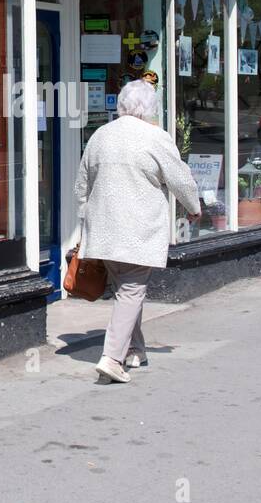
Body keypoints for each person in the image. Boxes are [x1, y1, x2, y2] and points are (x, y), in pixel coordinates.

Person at [74, 79, 200, 384]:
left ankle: (135, 349)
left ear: (121, 106)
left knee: (126, 289)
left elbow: (82, 186)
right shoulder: (155, 137)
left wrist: (84, 221)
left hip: (103, 231)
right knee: (131, 290)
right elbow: (180, 179)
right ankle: (113, 358)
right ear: (150, 109)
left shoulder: (100, 136)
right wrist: (194, 207)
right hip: (137, 231)